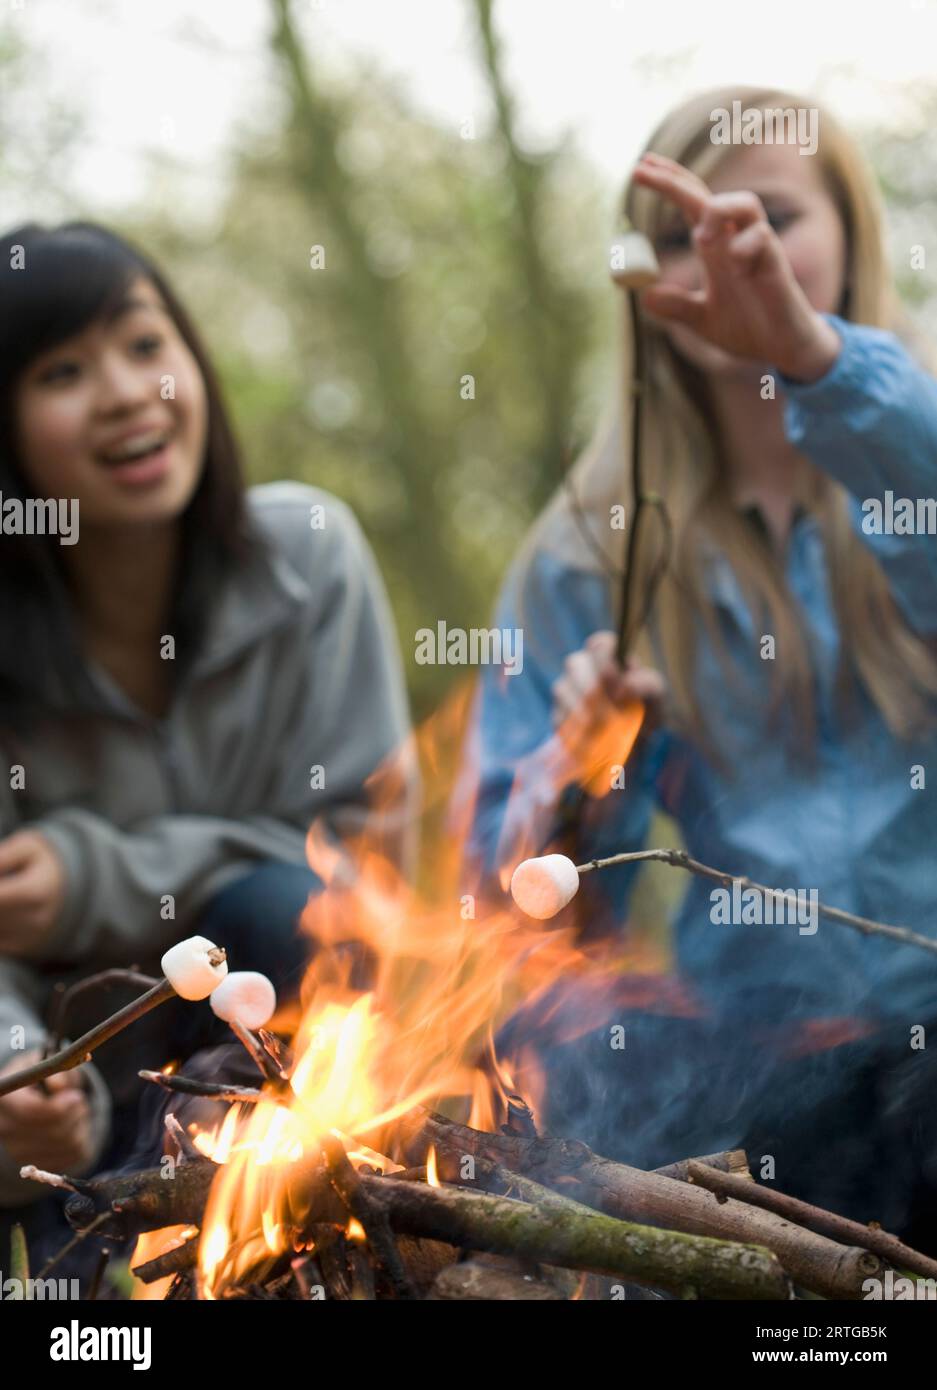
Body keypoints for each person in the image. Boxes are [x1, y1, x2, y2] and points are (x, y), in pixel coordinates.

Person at [468, 86, 937, 1245]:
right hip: (751, 1063)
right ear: (641, 280)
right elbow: (519, 919)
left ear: (848, 235)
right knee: (582, 1057)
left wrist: (823, 367)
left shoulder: (914, 441)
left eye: (768, 216)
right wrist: (581, 784)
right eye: (679, 234)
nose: (726, 255)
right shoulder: (588, 557)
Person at [0, 223, 416, 1214]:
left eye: (145, 345)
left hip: (290, 1025)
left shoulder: (308, 557)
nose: (126, 392)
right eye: (63, 369)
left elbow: (362, 862)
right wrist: (19, 1070)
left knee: (289, 909)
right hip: (88, 1071)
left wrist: (100, 875)